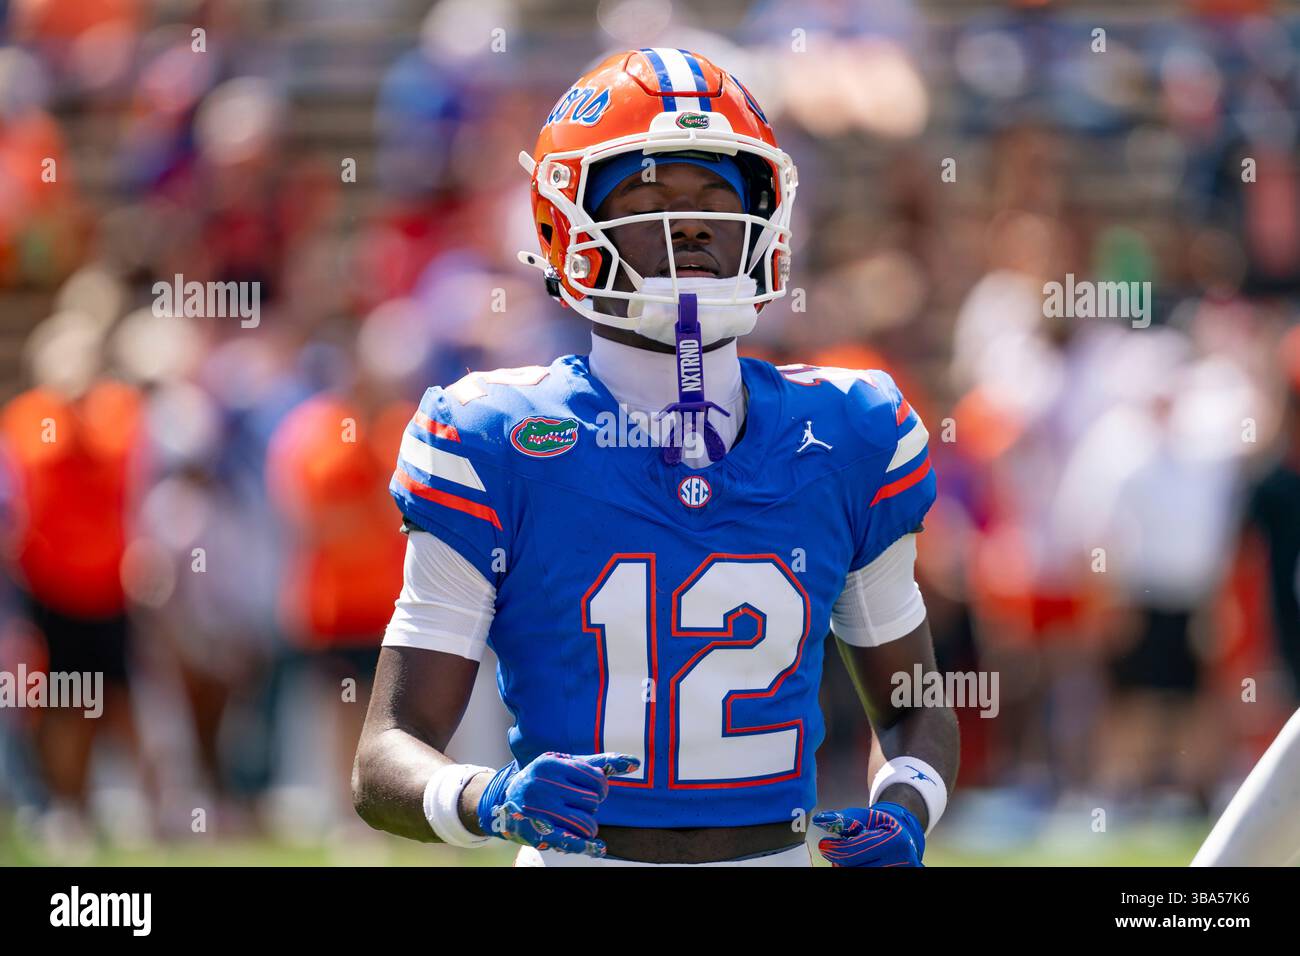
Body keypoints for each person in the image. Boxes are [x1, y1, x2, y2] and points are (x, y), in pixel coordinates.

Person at [353, 48, 958, 867]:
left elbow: (913, 706)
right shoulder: (496, 437)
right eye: (652, 190)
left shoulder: (850, 431)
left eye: (719, 189)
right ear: (567, 220)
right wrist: (485, 799)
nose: (697, 218)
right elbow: (388, 747)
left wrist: (908, 803)